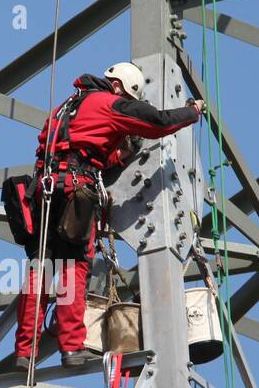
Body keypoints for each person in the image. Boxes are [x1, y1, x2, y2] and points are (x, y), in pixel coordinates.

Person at [13, 62, 204, 369]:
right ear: (119, 87)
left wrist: (117, 155)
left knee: (40, 271)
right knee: (73, 267)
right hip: (75, 192)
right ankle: (71, 347)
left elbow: (79, 145)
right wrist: (191, 111)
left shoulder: (65, 108)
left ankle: (25, 351)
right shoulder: (110, 103)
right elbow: (157, 122)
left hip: (44, 192)